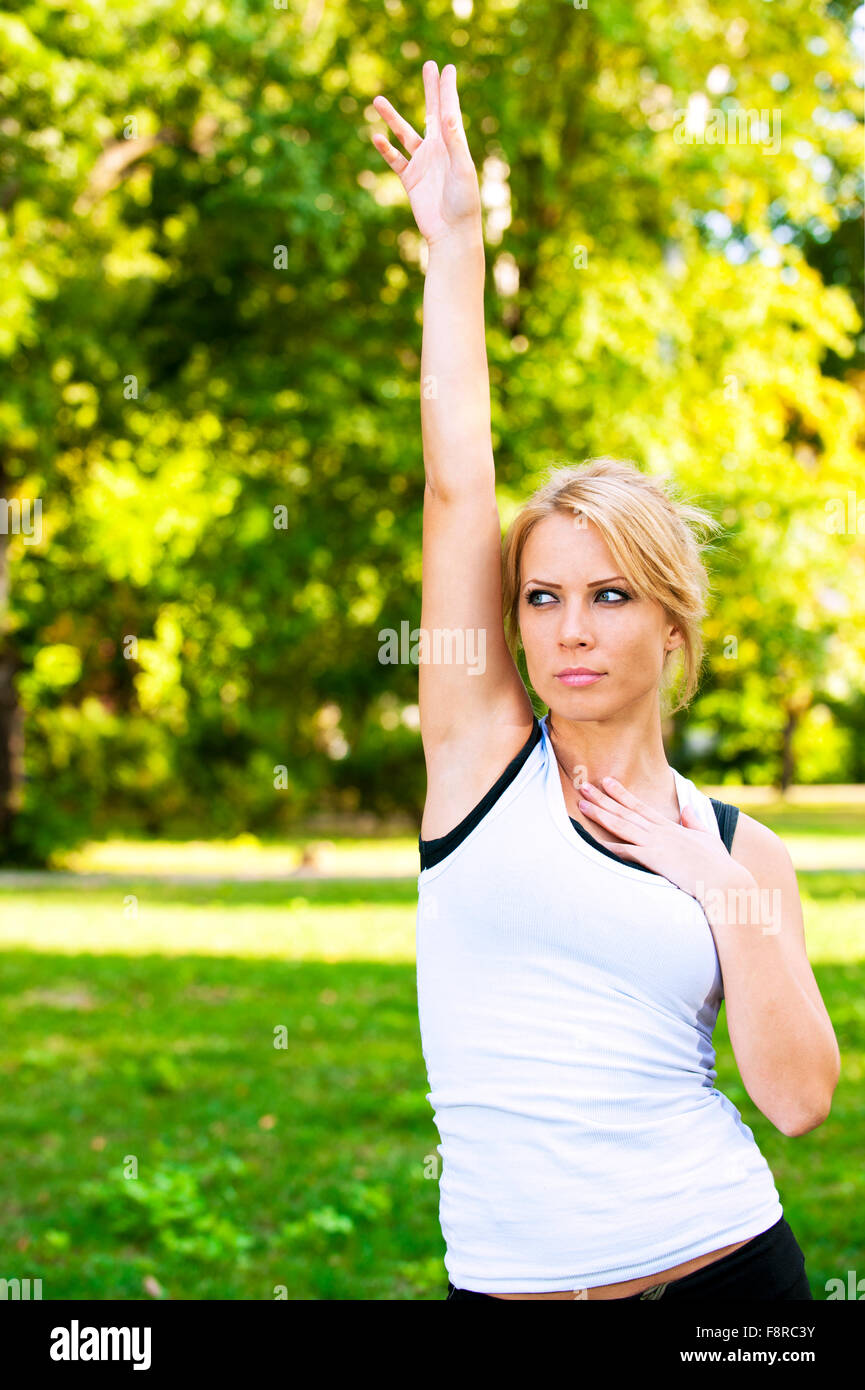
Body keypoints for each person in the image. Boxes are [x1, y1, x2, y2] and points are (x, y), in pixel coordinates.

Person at [371, 61, 840, 1301]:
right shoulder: (477, 762)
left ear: (672, 627)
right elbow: (457, 484)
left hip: (728, 1273)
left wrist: (714, 881)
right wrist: (456, 246)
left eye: (610, 594)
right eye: (543, 596)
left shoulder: (745, 849)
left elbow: (797, 1103)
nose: (570, 627)